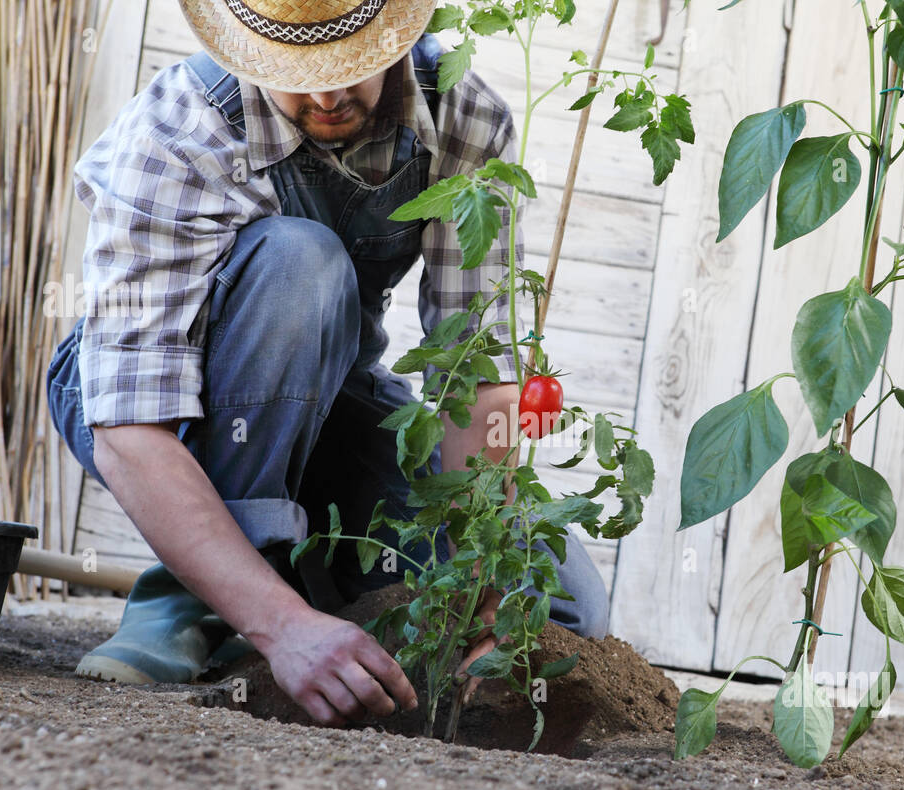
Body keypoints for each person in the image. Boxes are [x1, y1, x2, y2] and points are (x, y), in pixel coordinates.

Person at [46, 0, 609, 728]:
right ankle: (199, 601)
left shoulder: (465, 116)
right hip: (160, 412)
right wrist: (281, 630)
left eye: (348, 63)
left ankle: (296, 584)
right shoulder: (181, 131)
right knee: (301, 261)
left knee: (562, 606)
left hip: (329, 399)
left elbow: (477, 380)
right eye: (295, 73)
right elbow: (131, 429)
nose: (325, 96)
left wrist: (480, 592)